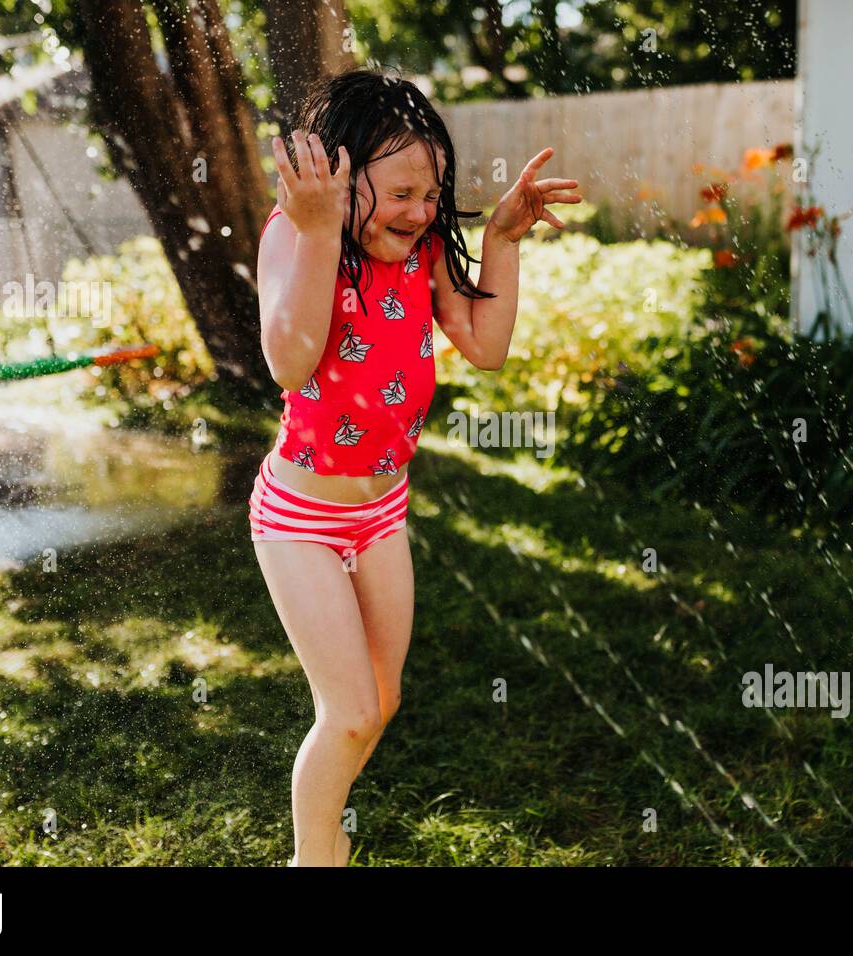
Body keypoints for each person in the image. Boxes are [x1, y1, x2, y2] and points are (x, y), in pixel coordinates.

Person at [250, 68, 580, 866]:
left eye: (430, 193)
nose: (421, 210)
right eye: (399, 190)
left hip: (382, 513)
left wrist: (498, 241)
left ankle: (327, 844)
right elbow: (290, 364)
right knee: (352, 711)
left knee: (382, 700)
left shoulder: (424, 249)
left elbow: (485, 346)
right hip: (302, 518)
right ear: (339, 172)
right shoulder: (294, 235)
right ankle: (315, 858)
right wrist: (322, 230)